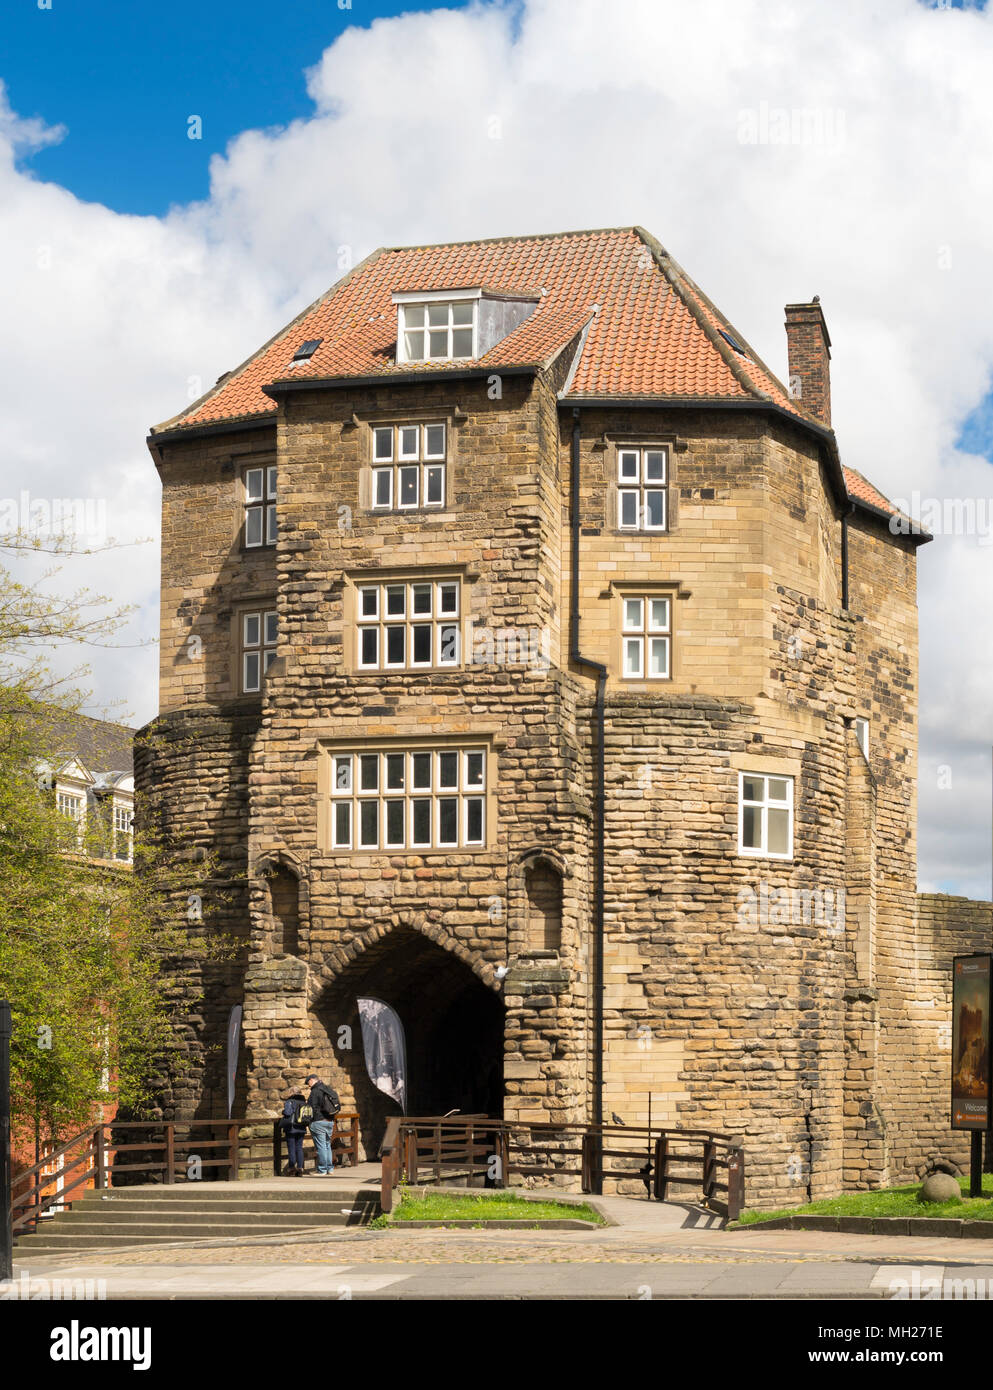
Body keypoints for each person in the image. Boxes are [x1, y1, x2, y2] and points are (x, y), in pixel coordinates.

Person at [305, 1072, 341, 1175]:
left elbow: (312, 1108)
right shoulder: (328, 1089)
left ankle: (322, 1170)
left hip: (318, 1121)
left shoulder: (315, 1091)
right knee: (327, 1145)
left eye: (308, 1083)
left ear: (312, 1080)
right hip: (330, 1121)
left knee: (321, 1146)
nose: (308, 1086)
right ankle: (330, 1169)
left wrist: (311, 1121)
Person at [280, 1089, 308, 1176]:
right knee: (299, 1148)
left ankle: (291, 1168)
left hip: (292, 1128)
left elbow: (288, 1113)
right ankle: (300, 1168)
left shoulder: (290, 1101)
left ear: (292, 1092)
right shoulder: (304, 1102)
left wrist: (283, 1111)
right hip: (302, 1127)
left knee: (291, 1148)